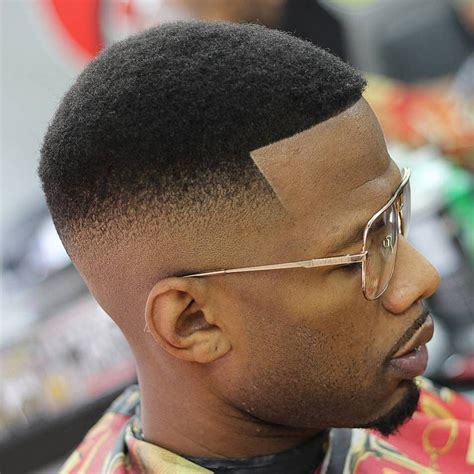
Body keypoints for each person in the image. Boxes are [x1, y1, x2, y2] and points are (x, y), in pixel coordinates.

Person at [38, 21, 472, 473]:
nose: (423, 277)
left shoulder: (394, 407)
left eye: (394, 217)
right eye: (356, 260)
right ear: (194, 321)